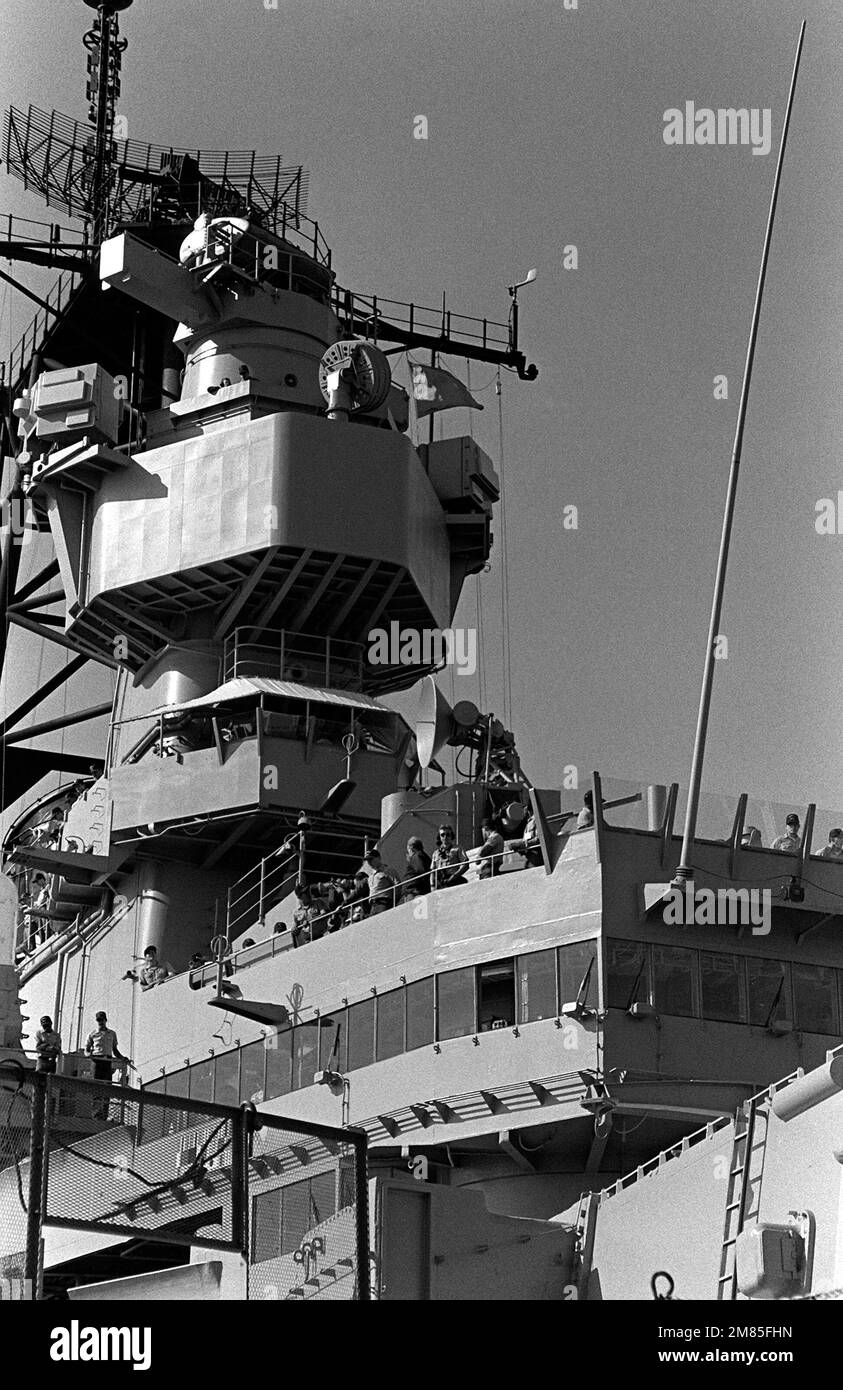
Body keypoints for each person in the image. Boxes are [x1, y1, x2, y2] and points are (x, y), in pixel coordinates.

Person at [84, 1011, 132, 1119]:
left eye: (102, 1019)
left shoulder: (112, 1034)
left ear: (106, 1020)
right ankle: (96, 1116)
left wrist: (122, 1058)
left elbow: (114, 1050)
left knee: (107, 1088)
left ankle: (104, 1115)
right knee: (97, 1088)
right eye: (98, 1020)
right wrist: (89, 1055)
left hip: (107, 1061)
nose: (100, 1022)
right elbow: (86, 1050)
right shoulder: (92, 1034)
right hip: (97, 1061)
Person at [430, 825, 469, 891]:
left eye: (448, 834)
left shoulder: (458, 849)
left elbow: (465, 864)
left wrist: (454, 876)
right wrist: (432, 885)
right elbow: (432, 871)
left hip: (453, 880)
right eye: (442, 835)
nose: (445, 837)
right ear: (439, 837)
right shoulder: (435, 853)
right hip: (440, 883)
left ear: (451, 836)